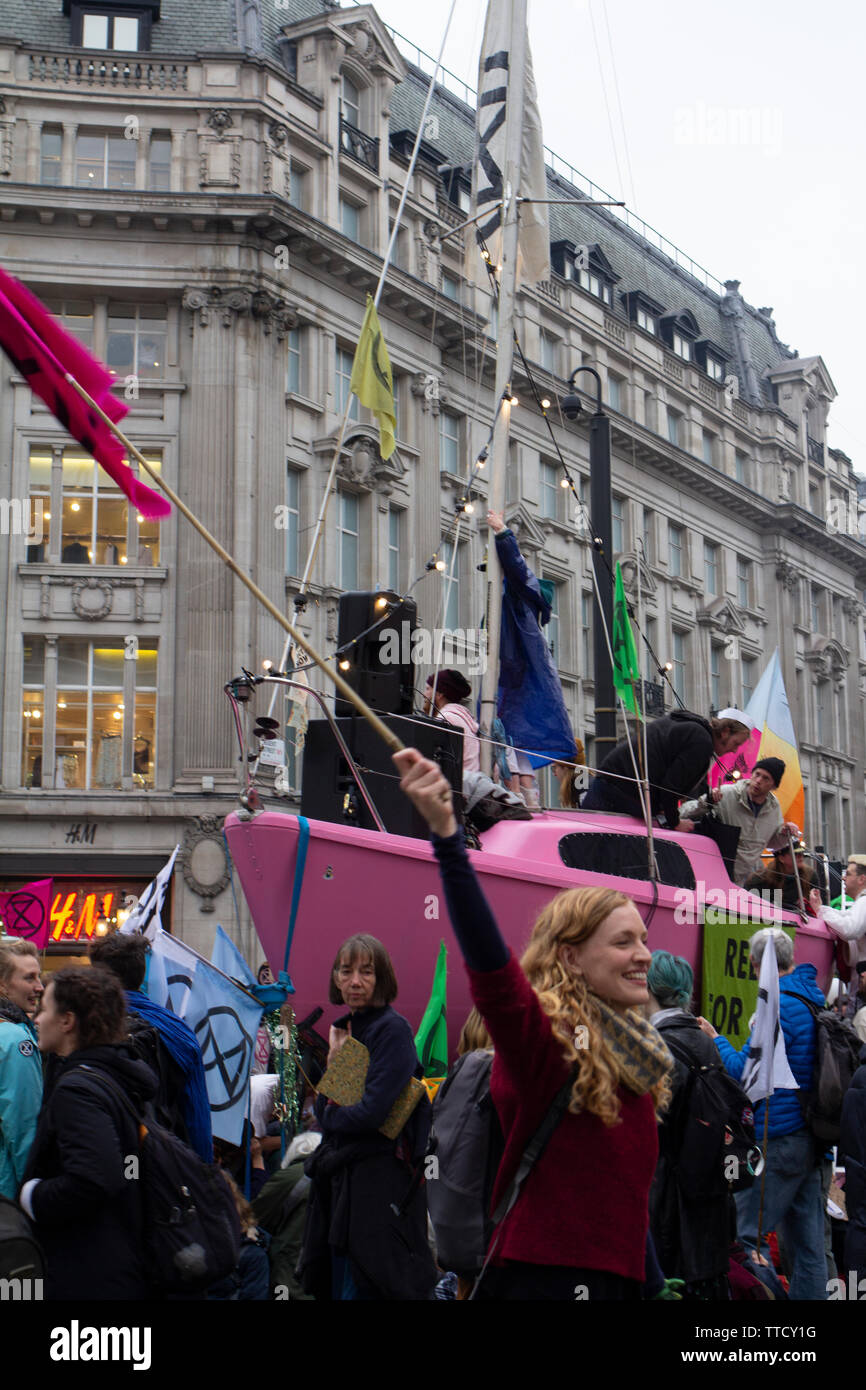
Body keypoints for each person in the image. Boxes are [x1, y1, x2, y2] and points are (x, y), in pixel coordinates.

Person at [395, 747, 673, 1300]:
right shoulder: (550, 1049)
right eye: (623, 942)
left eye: (642, 938)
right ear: (570, 957)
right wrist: (449, 841)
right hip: (535, 1281)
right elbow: (494, 972)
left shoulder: (640, 1062)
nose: (644, 954)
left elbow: (622, 1203)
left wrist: (655, 1286)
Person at [298, 933, 436, 1301]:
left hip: (379, 1188)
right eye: (346, 971)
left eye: (366, 972)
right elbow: (333, 1110)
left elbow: (371, 1112)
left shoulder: (392, 1030)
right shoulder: (347, 1028)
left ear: (382, 978)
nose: (354, 981)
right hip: (343, 1186)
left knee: (369, 1285)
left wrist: (329, 1111)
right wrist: (334, 1075)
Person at [697, 928, 828, 1300]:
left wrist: (715, 1038)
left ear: (756, 964)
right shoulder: (812, 999)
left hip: (779, 1135)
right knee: (808, 1248)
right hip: (811, 1139)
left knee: (742, 1235)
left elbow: (743, 1072)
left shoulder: (777, 1005)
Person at [19, 967, 157, 1300]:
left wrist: (31, 1196)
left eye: (45, 1009)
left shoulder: (78, 1089)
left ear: (67, 1021)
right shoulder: (113, 1074)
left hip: (86, 1270)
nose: (36, 1019)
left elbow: (94, 1178)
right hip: (121, 1259)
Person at [645, 951, 732, 1298]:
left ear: (649, 991)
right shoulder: (706, 1042)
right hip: (708, 1203)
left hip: (667, 1207)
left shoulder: (655, 1047)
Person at [89, 932, 213, 1161]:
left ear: (98, 975)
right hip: (163, 1164)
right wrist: (201, 1173)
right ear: (141, 973)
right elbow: (197, 1117)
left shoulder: (82, 1027)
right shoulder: (179, 1030)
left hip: (100, 1164)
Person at [486, 510, 574, 805]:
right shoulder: (527, 614)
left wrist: (503, 534)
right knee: (517, 748)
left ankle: (517, 800)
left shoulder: (519, 600)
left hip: (513, 675)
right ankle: (528, 800)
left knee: (507, 736)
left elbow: (517, 569)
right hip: (516, 674)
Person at [580, 707, 752, 830]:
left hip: (611, 785)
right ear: (725, 731)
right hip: (622, 795)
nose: (735, 750)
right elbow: (671, 787)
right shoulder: (701, 743)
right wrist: (675, 822)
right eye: (736, 743)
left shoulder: (686, 726)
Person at [680, 758, 801, 886]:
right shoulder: (726, 793)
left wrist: (784, 833)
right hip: (706, 873)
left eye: (766, 778)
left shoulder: (774, 809)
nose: (758, 781)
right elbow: (685, 811)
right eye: (757, 774)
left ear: (774, 786)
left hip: (736, 882)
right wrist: (708, 802)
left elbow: (771, 844)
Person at [0, 938, 43, 1199]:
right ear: (3, 984)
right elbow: (24, 1128)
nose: (39, 987)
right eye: (29, 978)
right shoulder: (16, 1041)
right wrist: (35, 1196)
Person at [423, 668, 481, 773]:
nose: (424, 694)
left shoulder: (446, 718)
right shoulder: (462, 718)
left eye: (428, 689)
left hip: (457, 785)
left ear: (439, 694)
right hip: (469, 784)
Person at [747, 842, 815, 912]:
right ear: (781, 858)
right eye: (795, 854)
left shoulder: (810, 876)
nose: (801, 856)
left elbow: (819, 907)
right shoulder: (759, 880)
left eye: (801, 853)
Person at [551, 740, 585, 809]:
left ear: (565, 768)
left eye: (554, 768)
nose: (554, 774)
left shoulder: (583, 789)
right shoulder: (582, 784)